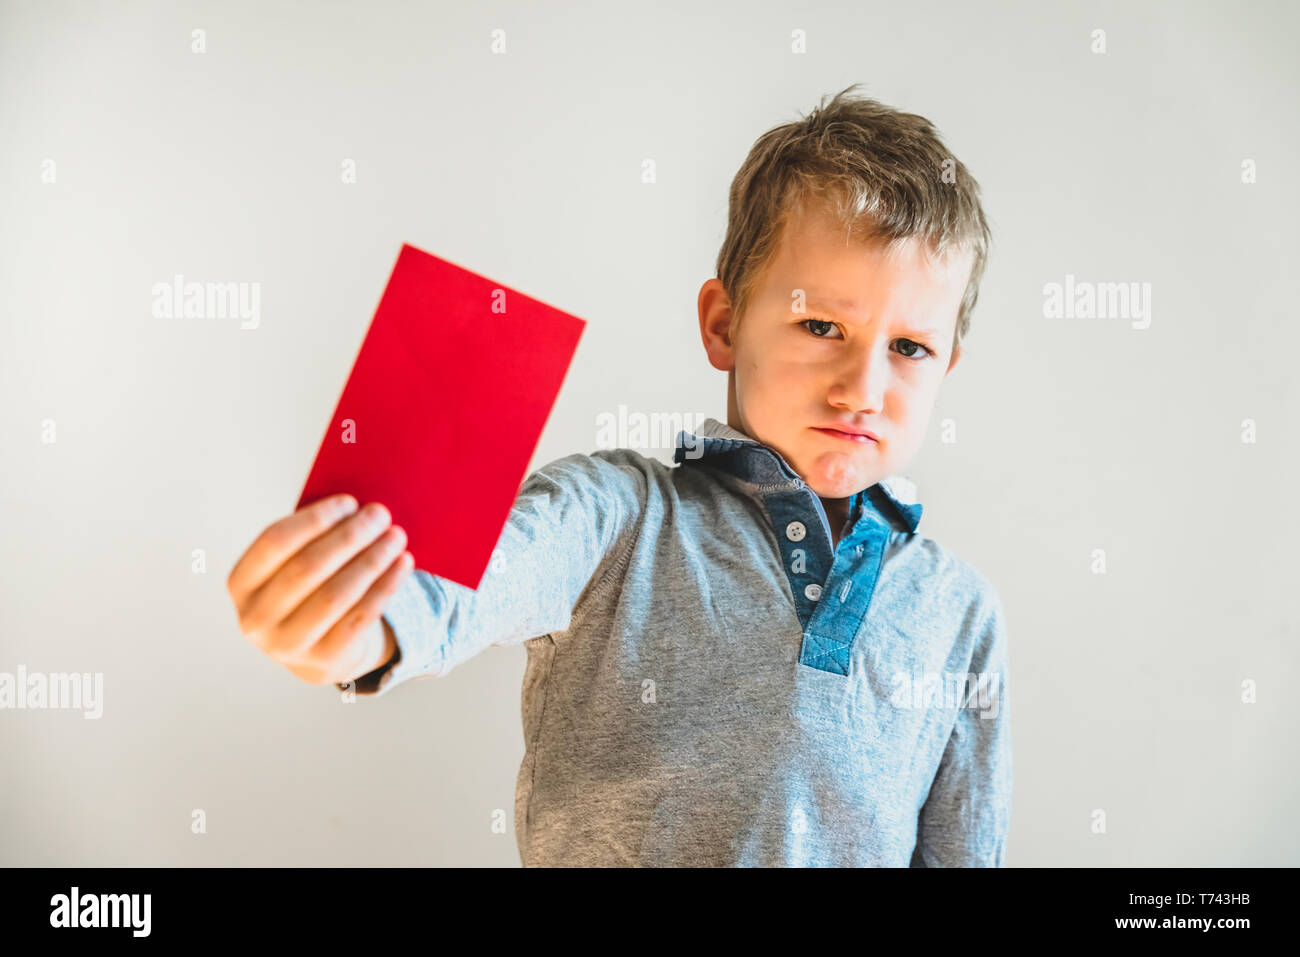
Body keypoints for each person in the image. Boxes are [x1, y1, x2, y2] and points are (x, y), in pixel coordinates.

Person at [226, 83, 1011, 867]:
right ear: (724, 323)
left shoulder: (963, 613)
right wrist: (361, 625)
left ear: (949, 363)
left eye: (910, 347)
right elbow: (470, 580)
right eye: (820, 325)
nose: (863, 389)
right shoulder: (618, 516)